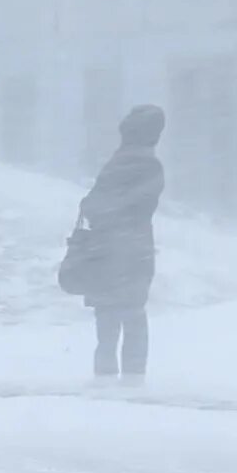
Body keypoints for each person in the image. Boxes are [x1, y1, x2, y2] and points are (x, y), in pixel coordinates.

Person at [77, 104, 166, 385]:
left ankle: (105, 376)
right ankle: (133, 378)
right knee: (133, 314)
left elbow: (91, 204)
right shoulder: (149, 166)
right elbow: (139, 204)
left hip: (106, 249)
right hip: (134, 248)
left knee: (108, 315)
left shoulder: (116, 164)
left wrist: (105, 212)